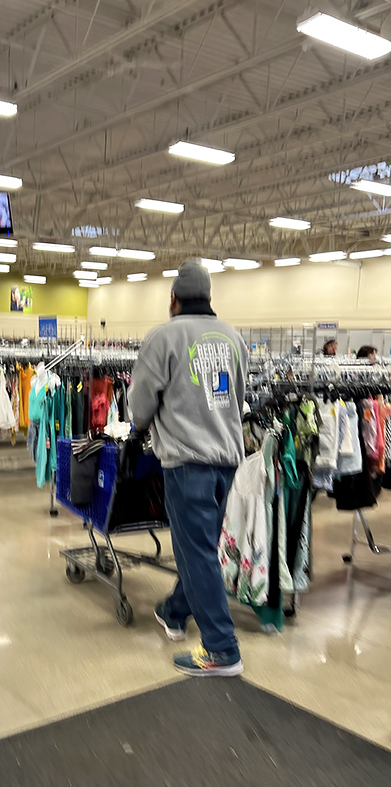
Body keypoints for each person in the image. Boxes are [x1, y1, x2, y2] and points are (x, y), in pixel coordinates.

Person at [128, 258, 247, 677]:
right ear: (209, 297)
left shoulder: (163, 337)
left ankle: (221, 649)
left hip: (187, 463)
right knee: (203, 550)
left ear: (173, 298)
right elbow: (238, 398)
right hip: (228, 462)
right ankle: (174, 610)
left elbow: (141, 402)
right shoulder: (234, 338)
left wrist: (134, 434)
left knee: (195, 555)